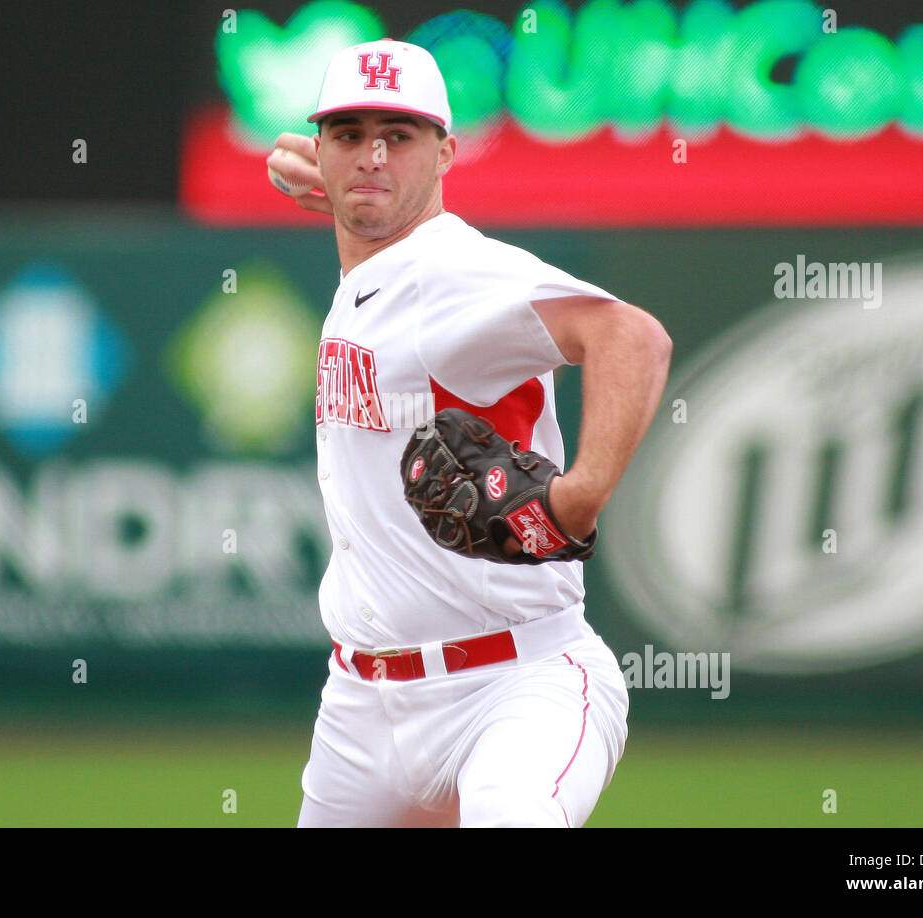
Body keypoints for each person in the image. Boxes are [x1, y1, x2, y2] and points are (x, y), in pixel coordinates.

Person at [267, 38, 672, 827]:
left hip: (515, 686)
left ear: (447, 151)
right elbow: (373, 205)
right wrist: (360, 193)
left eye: (402, 136)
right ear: (319, 147)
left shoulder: (452, 273)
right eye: (349, 135)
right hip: (361, 704)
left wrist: (580, 496)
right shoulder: (379, 265)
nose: (373, 154)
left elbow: (633, 339)